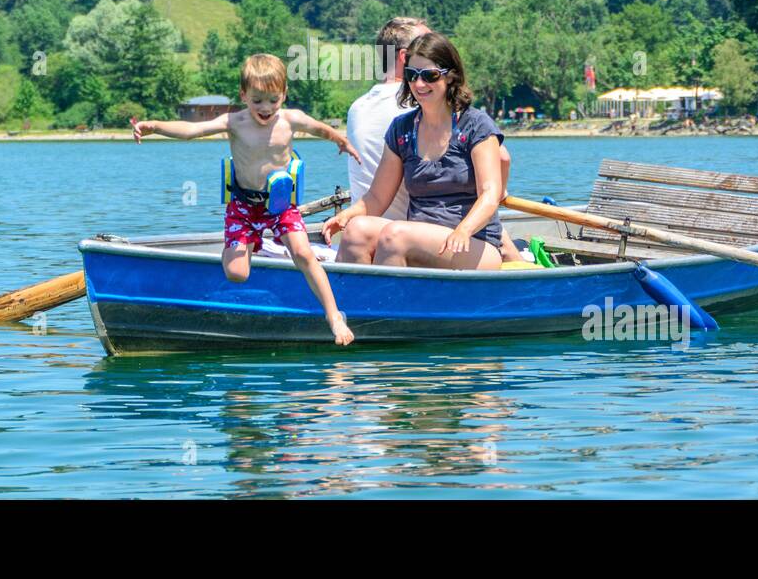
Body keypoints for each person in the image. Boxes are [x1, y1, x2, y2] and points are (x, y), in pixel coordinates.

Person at [132, 53, 359, 345]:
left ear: (284, 94)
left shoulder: (291, 120)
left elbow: (321, 129)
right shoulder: (234, 121)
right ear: (243, 95)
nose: (265, 108)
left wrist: (341, 141)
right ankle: (250, 243)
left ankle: (333, 316)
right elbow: (191, 130)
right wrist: (154, 126)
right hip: (243, 207)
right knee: (237, 274)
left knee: (304, 253)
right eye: (257, 100)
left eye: (273, 100)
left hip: (280, 206)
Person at [323, 31, 507, 270]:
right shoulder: (402, 129)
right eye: (412, 75)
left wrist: (463, 230)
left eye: (429, 75)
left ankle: (385, 306)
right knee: (357, 231)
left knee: (395, 235)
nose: (419, 84)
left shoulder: (476, 125)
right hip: (418, 235)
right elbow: (377, 197)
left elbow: (490, 194)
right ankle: (351, 306)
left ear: (450, 77)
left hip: (473, 243)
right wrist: (347, 216)